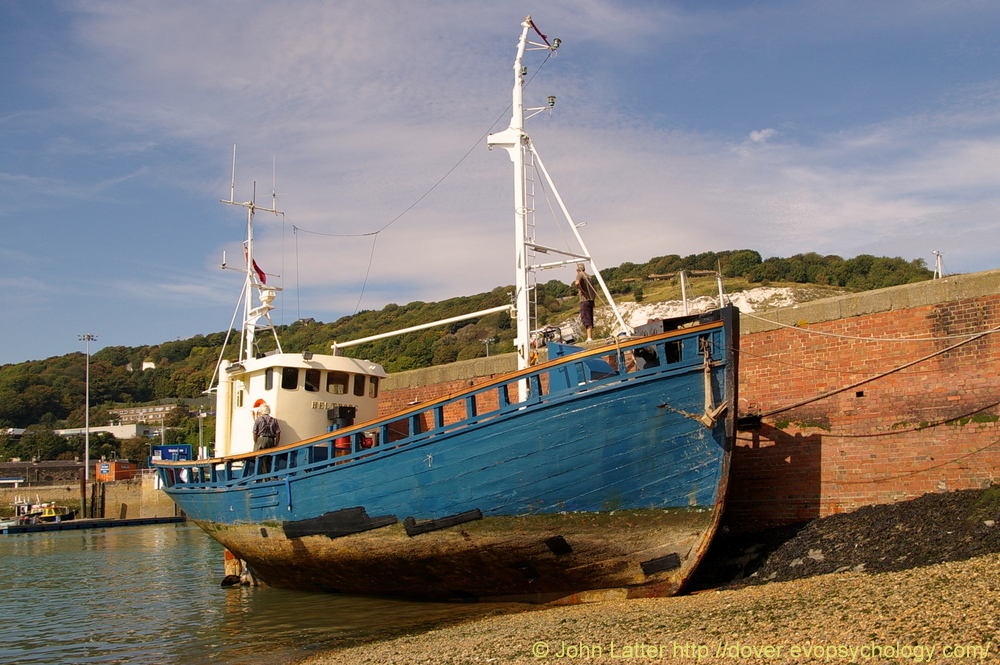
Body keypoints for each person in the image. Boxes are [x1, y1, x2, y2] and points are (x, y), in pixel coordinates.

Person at [573, 263, 597, 342]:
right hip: (591, 300)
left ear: (577, 270)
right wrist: (593, 297)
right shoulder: (589, 276)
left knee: (586, 318)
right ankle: (590, 336)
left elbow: (577, 283)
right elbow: (595, 289)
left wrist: (581, 290)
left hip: (584, 300)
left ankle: (589, 338)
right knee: (590, 317)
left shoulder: (580, 275)